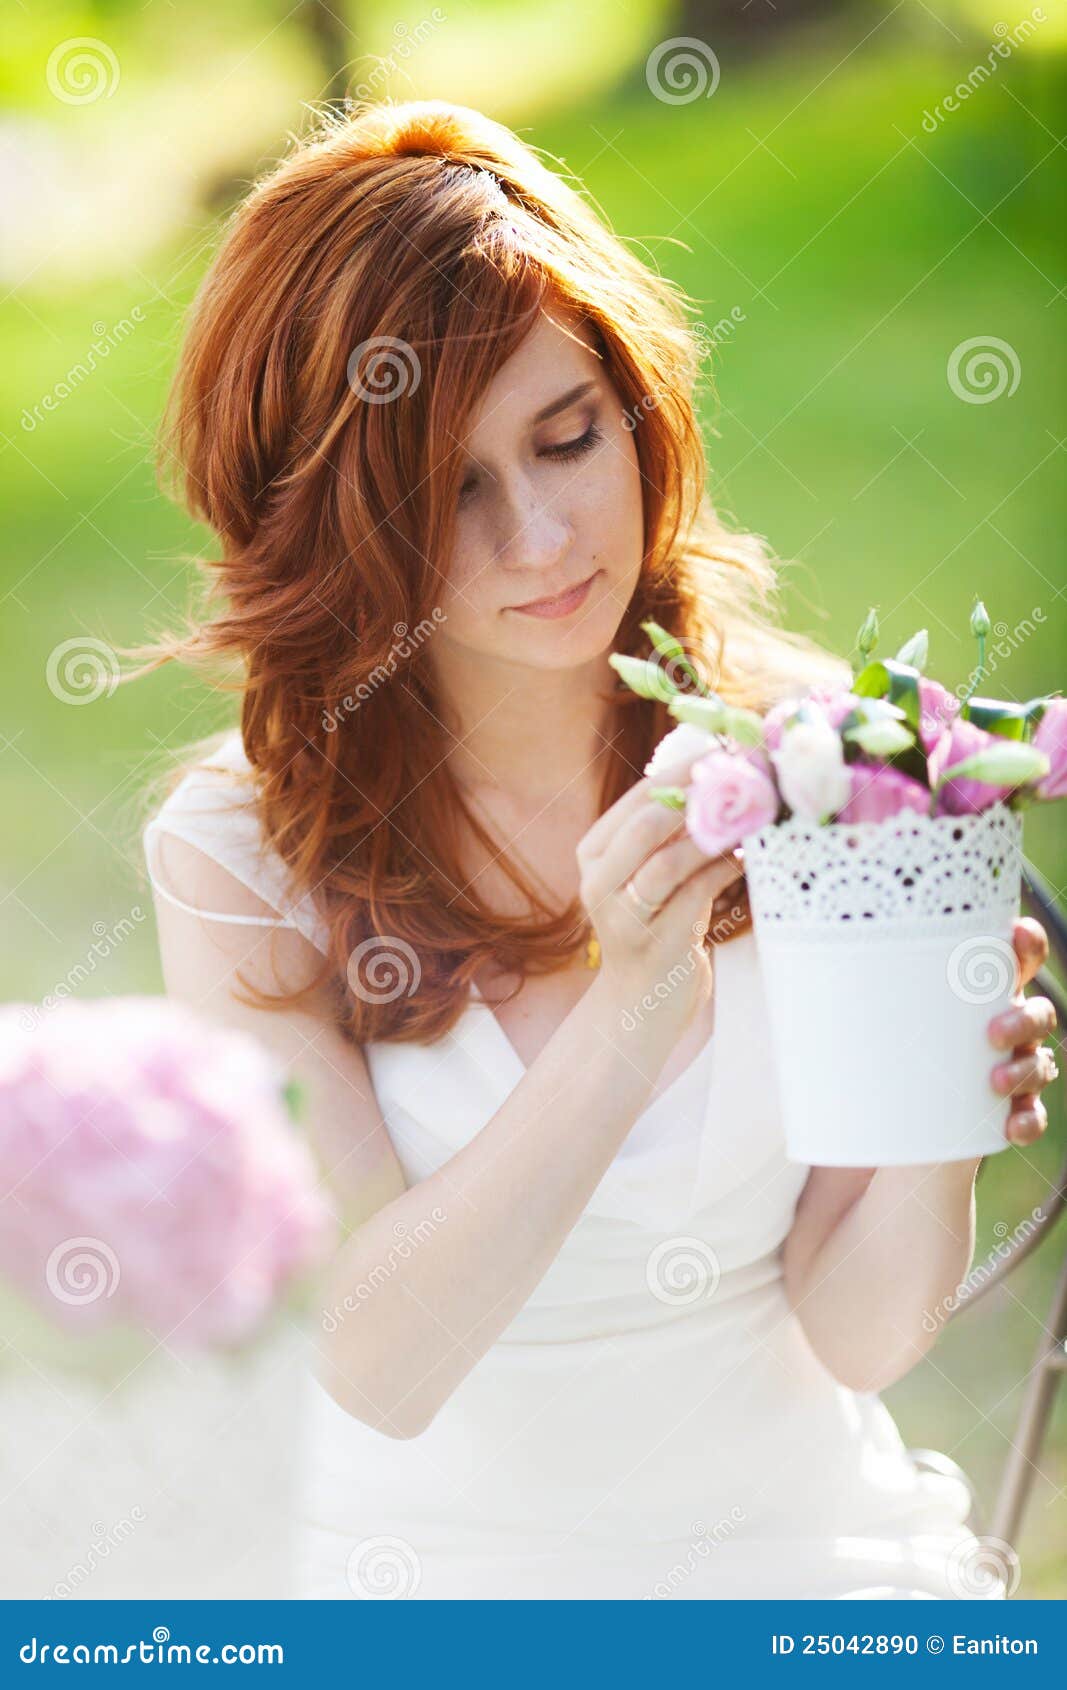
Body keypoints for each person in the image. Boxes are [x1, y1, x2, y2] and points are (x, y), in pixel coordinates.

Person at [131, 99, 1057, 1599]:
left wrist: (937, 1112)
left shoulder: (814, 753)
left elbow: (857, 1333)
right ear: (337, 521)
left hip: (809, 1575)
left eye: (568, 439)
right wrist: (629, 1012)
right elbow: (375, 1362)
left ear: (637, 408)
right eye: (453, 491)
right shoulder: (240, 856)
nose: (546, 539)